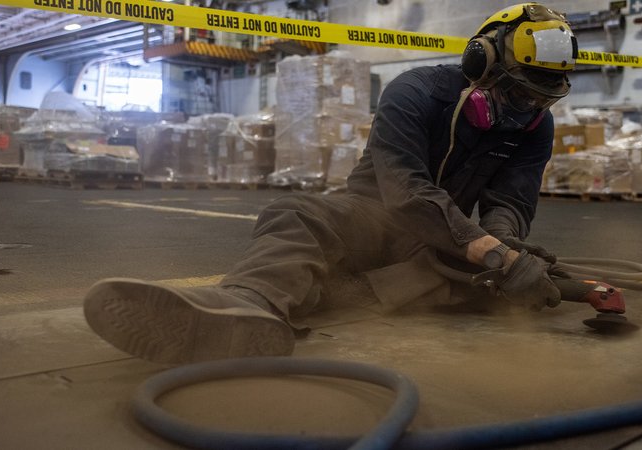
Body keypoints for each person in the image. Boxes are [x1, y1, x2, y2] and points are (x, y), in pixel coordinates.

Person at [83, 2, 578, 365]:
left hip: (442, 241)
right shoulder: (416, 93)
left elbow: (509, 201)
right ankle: (248, 303)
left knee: (492, 283)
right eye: (516, 93)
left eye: (539, 100)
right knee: (297, 215)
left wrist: (511, 253)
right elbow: (406, 193)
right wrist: (493, 254)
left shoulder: (535, 125)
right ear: (480, 63)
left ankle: (333, 296)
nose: (525, 111)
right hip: (372, 216)